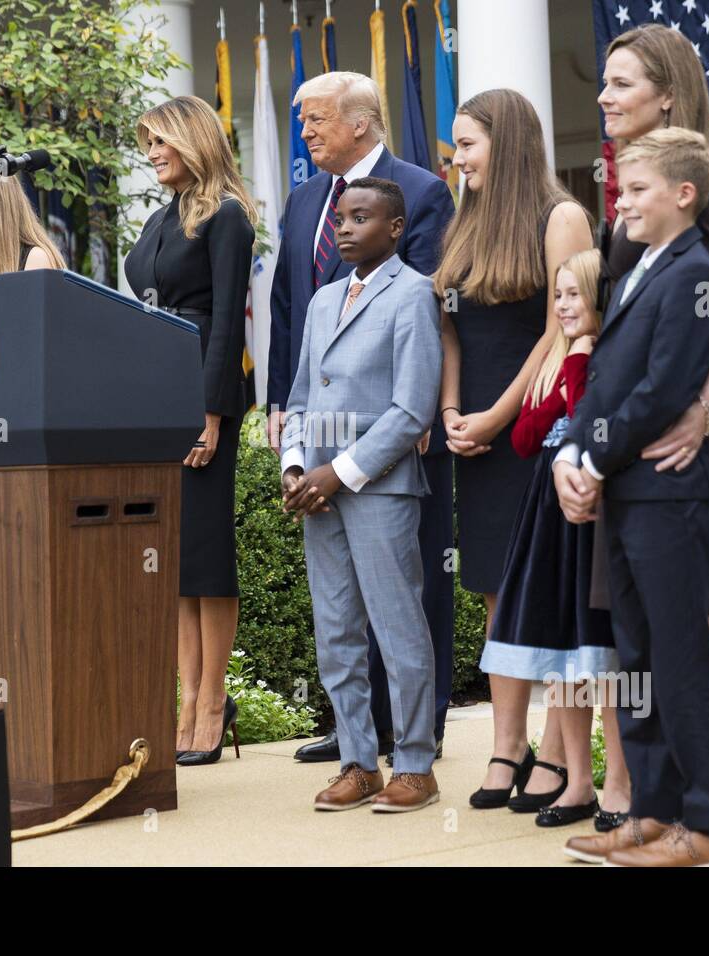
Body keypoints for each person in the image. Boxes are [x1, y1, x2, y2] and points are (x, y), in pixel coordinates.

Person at [591, 22, 709, 818]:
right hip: (620, 432)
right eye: (604, 81)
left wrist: (702, 406)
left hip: (672, 429)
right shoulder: (629, 182)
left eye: (623, 82)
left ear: (666, 94)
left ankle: (708, 777)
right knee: (632, 618)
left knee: (697, 608)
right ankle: (639, 787)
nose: (605, 95)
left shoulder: (694, 181)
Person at [558, 128, 709, 866]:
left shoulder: (698, 268)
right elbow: (607, 378)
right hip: (628, 492)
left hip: (666, 495)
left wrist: (590, 455)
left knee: (680, 657)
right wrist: (574, 451)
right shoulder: (641, 265)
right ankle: (654, 811)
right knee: (635, 654)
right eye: (621, 189)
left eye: (636, 191)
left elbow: (662, 388)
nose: (620, 203)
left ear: (684, 195)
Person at [270, 70, 456, 765]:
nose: (306, 132)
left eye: (316, 119)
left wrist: (348, 463)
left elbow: (430, 317)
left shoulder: (422, 190)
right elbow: (294, 311)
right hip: (313, 442)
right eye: (301, 120)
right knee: (337, 621)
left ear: (361, 122)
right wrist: (288, 435)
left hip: (387, 446)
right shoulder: (305, 200)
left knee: (403, 604)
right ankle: (356, 746)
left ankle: (415, 740)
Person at [433, 88, 594, 807]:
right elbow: (449, 327)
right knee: (498, 590)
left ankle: (561, 752)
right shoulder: (463, 224)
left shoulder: (561, 216)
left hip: (535, 426)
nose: (458, 156)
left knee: (549, 595)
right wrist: (450, 411)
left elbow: (563, 330)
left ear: (509, 141)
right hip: (473, 434)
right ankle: (507, 749)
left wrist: (497, 415)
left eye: (468, 142)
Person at [281, 178, 442, 812]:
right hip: (316, 492)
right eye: (341, 218)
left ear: (396, 228)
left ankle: (416, 766)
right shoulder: (322, 301)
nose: (344, 228)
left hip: (378, 488)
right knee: (337, 630)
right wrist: (296, 466)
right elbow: (298, 398)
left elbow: (410, 410)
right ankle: (357, 761)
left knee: (397, 625)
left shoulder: (415, 295)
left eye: (361, 218)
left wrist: (340, 471)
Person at [122, 95, 257, 766]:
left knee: (205, 556)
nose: (150, 153)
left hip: (203, 400)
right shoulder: (156, 219)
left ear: (192, 141)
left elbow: (229, 320)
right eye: (146, 143)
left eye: (159, 142)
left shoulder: (227, 216)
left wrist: (209, 414)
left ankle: (212, 700)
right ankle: (184, 699)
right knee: (174, 564)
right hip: (154, 396)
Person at [475, 249, 629, 830]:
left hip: (586, 510)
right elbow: (524, 438)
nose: (564, 306)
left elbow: (592, 414)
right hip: (547, 510)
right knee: (562, 650)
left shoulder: (596, 360)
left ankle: (617, 778)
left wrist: (575, 364)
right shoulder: (564, 359)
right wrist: (559, 376)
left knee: (599, 652)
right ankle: (578, 780)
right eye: (557, 296)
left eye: (575, 295)